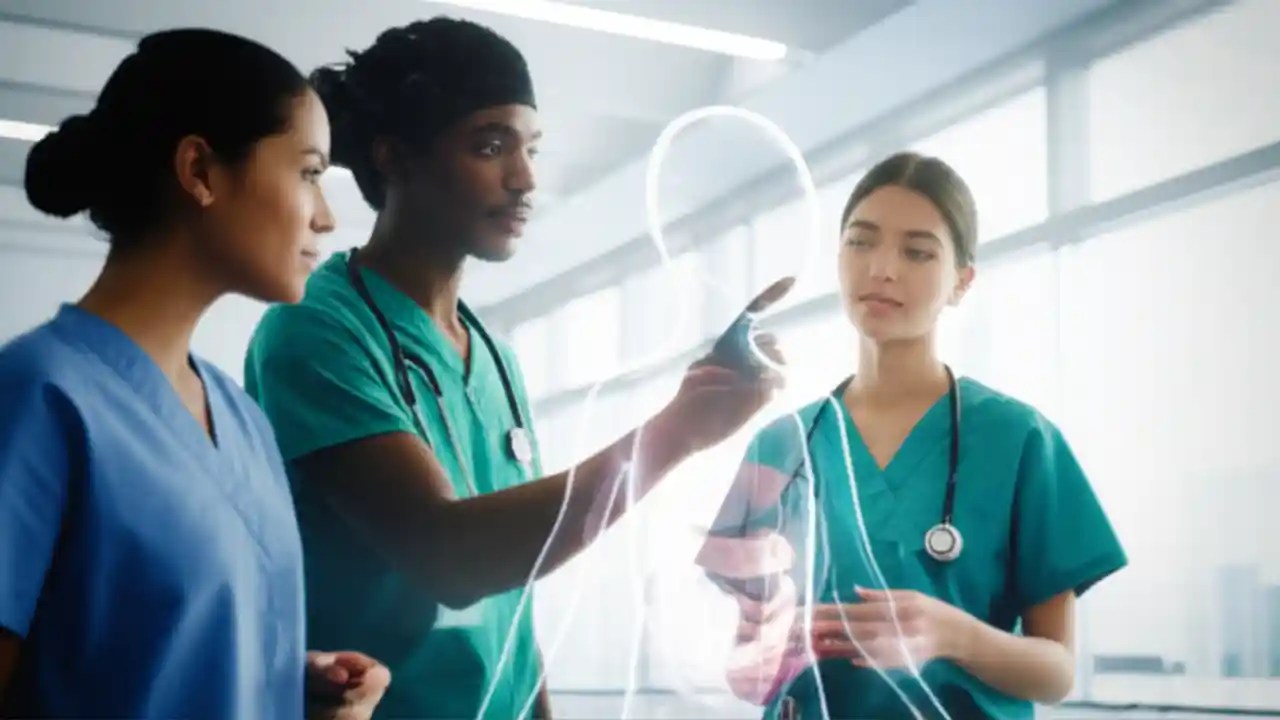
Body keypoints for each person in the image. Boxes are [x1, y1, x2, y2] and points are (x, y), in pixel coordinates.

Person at [243, 16, 791, 720]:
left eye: (530, 147)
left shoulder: (491, 356)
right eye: (490, 145)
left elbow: (513, 599)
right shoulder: (317, 328)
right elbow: (453, 557)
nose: (525, 177)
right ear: (394, 158)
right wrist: (677, 432)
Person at [0, 29, 390, 719]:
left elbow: (141, 645)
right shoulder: (37, 396)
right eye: (307, 172)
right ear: (201, 171)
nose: (327, 217)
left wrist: (281, 684)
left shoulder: (243, 419)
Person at [696, 152, 1128, 719]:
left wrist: (951, 634)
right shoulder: (780, 446)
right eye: (861, 242)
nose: (882, 268)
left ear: (961, 282)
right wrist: (768, 651)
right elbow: (746, 676)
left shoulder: (1018, 440)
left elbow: (1056, 673)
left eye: (918, 252)